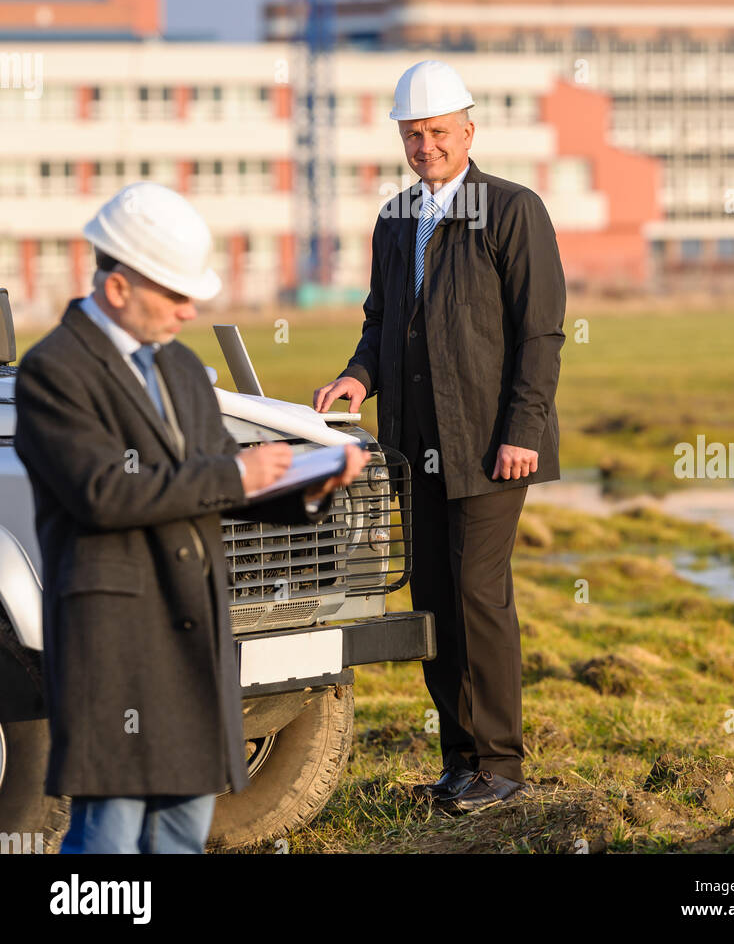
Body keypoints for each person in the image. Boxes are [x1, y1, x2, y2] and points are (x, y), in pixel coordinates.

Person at [14, 181, 367, 854]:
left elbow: (212, 490)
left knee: (180, 828)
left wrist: (307, 484)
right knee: (110, 835)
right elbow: (102, 493)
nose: (189, 308)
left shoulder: (180, 366)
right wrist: (235, 472)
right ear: (119, 288)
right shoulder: (53, 372)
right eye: (175, 294)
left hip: (193, 638)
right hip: (113, 645)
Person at [313, 60, 566, 813]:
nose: (425, 146)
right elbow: (382, 322)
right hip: (412, 446)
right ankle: (460, 761)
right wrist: (358, 378)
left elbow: (541, 334)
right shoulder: (395, 220)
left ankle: (502, 765)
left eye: (437, 133)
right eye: (412, 134)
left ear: (468, 131)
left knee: (477, 595)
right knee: (434, 599)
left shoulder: (514, 210)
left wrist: (522, 428)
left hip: (491, 446)